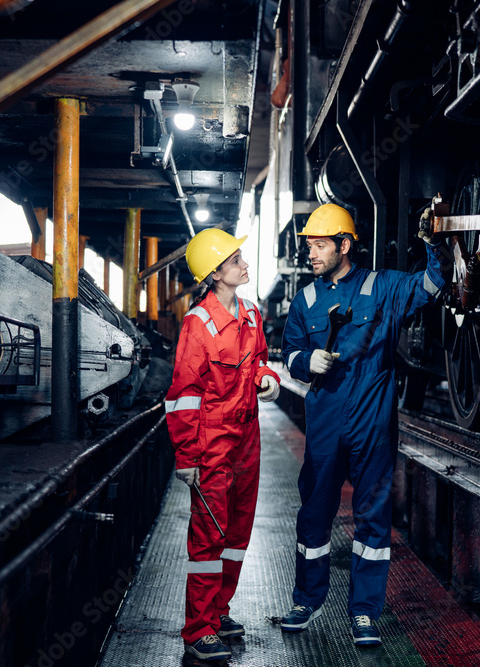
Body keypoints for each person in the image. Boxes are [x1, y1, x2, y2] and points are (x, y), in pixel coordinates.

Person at [279, 203, 445, 646]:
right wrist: (304, 360)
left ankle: (365, 612)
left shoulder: (383, 287)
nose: (310, 254)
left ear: (344, 245)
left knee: (372, 520)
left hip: (372, 422)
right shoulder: (306, 300)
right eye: (309, 246)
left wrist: (432, 243)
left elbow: (430, 286)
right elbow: (289, 351)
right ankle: (306, 600)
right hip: (326, 423)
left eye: (319, 245)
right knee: (314, 513)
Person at [165, 228, 281, 661]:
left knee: (236, 533)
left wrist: (266, 380)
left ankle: (218, 611)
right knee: (208, 537)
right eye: (235, 261)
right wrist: (187, 456)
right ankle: (198, 630)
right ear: (215, 274)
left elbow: (260, 361)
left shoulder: (251, 314)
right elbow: (182, 396)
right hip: (212, 444)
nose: (244, 265)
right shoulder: (198, 325)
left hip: (246, 441)